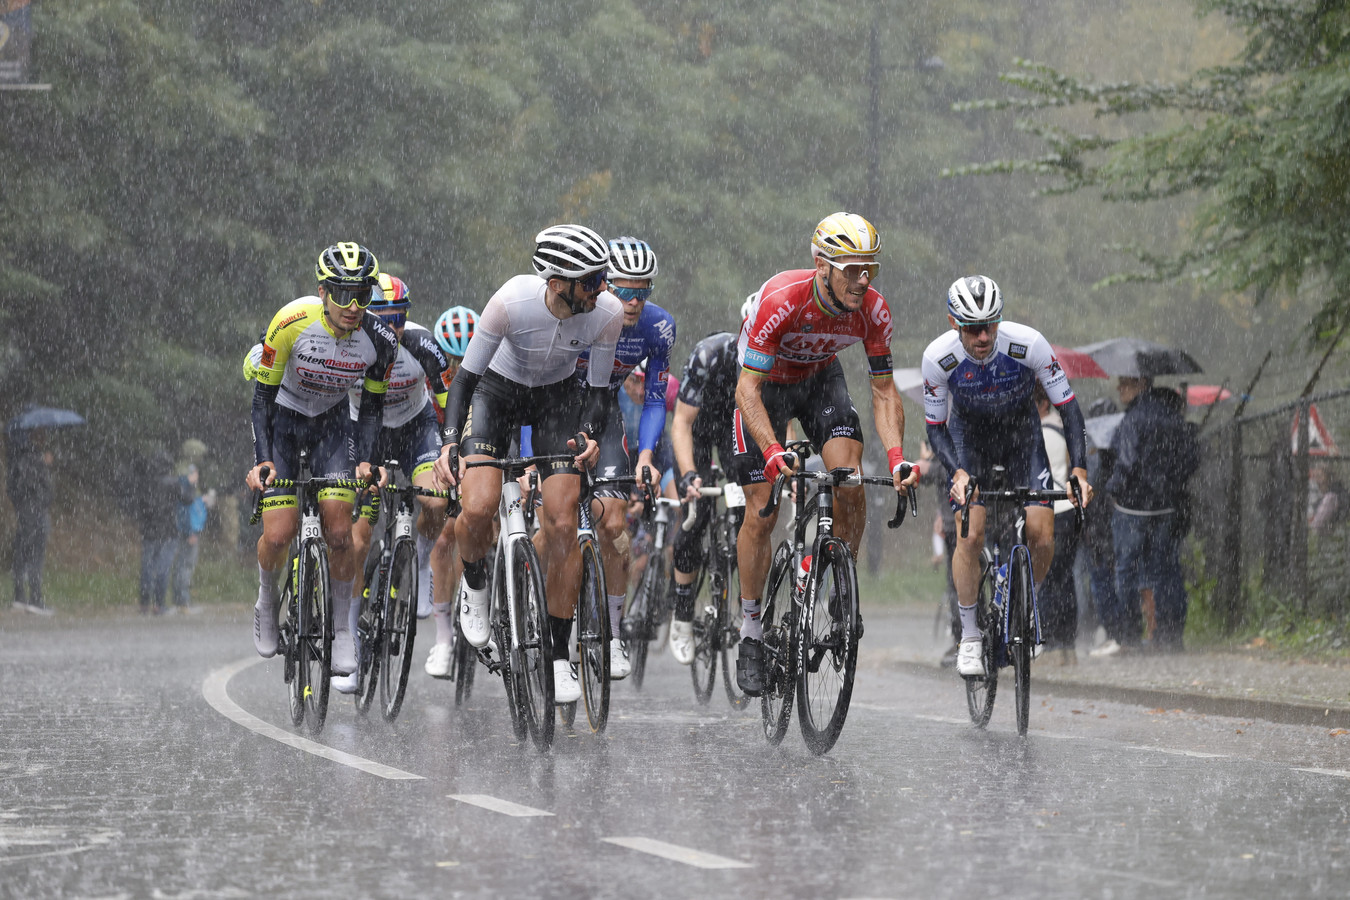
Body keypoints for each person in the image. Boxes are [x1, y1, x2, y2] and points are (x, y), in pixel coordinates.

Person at [433, 224, 622, 705]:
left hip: (556, 400)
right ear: (557, 283)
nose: (602, 288)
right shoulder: (510, 302)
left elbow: (599, 391)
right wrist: (450, 442)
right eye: (592, 281)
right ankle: (476, 583)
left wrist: (590, 434)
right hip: (497, 393)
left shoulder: (607, 312)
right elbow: (465, 380)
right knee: (478, 506)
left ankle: (558, 656)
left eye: (602, 278)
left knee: (562, 523)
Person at [732, 213, 918, 696]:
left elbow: (883, 391)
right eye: (852, 269)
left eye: (870, 269)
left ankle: (840, 587)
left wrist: (897, 457)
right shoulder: (783, 298)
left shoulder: (873, 310)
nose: (863, 279)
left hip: (819, 381)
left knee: (849, 480)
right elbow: (747, 390)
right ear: (822, 265)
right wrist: (772, 449)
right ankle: (750, 631)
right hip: (766, 389)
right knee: (761, 510)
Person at [920, 275, 1092, 678]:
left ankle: (1024, 602)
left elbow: (1068, 408)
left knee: (1043, 535)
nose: (983, 336)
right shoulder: (938, 358)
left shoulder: (1029, 344)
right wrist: (957, 471)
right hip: (969, 442)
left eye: (990, 325)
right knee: (970, 533)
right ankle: (969, 636)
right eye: (973, 328)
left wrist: (1079, 470)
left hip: (1021, 437)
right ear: (953, 323)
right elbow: (935, 427)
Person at [245, 242, 398, 678]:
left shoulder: (380, 341)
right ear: (322, 292)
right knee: (279, 533)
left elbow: (372, 408)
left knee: (339, 531)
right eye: (342, 294)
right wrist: (262, 460)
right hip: (283, 420)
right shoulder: (290, 321)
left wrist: (366, 460)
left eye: (362, 295)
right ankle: (267, 599)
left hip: (332, 424)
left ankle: (342, 630)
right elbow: (262, 399)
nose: (353, 306)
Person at [339, 273, 457, 692]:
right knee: (358, 540)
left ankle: (421, 561)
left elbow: (449, 402)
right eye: (384, 318)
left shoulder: (423, 344)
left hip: (414, 427)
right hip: (364, 432)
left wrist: (453, 449)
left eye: (400, 317)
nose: (394, 327)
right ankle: (349, 641)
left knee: (437, 501)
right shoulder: (351, 343)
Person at [571, 236, 674, 680]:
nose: (634, 301)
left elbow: (655, 399)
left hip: (603, 413)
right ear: (603, 284)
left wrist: (646, 454)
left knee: (614, 525)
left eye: (643, 290)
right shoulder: (579, 312)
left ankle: (612, 635)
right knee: (554, 521)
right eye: (625, 290)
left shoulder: (658, 327)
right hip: (555, 407)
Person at [666, 317, 744, 665]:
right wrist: (688, 476)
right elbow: (681, 424)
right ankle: (682, 614)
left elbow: (780, 418)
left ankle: (742, 600)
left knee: (751, 514)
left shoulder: (772, 356)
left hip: (735, 427)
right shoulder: (708, 355)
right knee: (695, 518)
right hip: (696, 427)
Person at [1106, 377, 1199, 652]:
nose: (1119, 388)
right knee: (1166, 570)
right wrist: (1170, 485)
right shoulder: (1173, 418)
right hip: (1166, 506)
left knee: (1126, 571)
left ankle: (1130, 637)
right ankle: (1170, 636)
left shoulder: (1133, 419)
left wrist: (1113, 489)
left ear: (1141, 385)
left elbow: (1127, 461)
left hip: (1132, 506)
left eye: (1125, 383)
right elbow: (1191, 459)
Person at [423, 304, 477, 679]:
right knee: (443, 538)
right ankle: (443, 636)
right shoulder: (429, 379)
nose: (456, 370)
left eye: (464, 360)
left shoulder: (488, 375)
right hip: (439, 447)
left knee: (476, 527)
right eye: (450, 360)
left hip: (476, 446)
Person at [1034, 382, 1081, 664]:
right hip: (1069, 512)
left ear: (1042, 404)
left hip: (1051, 511)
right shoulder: (1065, 429)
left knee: (1049, 579)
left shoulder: (1041, 433)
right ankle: (1068, 643)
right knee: (1065, 579)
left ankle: (1051, 643)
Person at [6, 428, 54, 615]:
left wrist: (20, 505)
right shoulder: (34, 459)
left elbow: (13, 488)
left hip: (25, 513)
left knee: (22, 552)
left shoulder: (18, 457)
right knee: (35, 555)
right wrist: (45, 466)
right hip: (35, 513)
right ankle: (35, 600)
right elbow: (40, 489)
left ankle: (19, 596)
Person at [136, 447, 185, 615]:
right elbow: (187, 499)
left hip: (149, 530)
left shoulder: (145, 482)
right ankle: (159, 605)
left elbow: (140, 506)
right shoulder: (173, 482)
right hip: (168, 531)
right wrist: (188, 483)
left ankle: (144, 604)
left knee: (147, 568)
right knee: (163, 568)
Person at [170, 438, 213, 612]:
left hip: (183, 525)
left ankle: (179, 599)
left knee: (182, 563)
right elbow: (186, 505)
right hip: (188, 527)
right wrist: (191, 531)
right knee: (186, 563)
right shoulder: (187, 473)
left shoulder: (180, 469)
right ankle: (183, 601)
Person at [1308, 462, 1346, 535]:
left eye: (1319, 476)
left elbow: (1316, 525)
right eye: (1314, 476)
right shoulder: (1321, 495)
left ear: (1329, 477)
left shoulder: (1330, 497)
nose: (1316, 480)